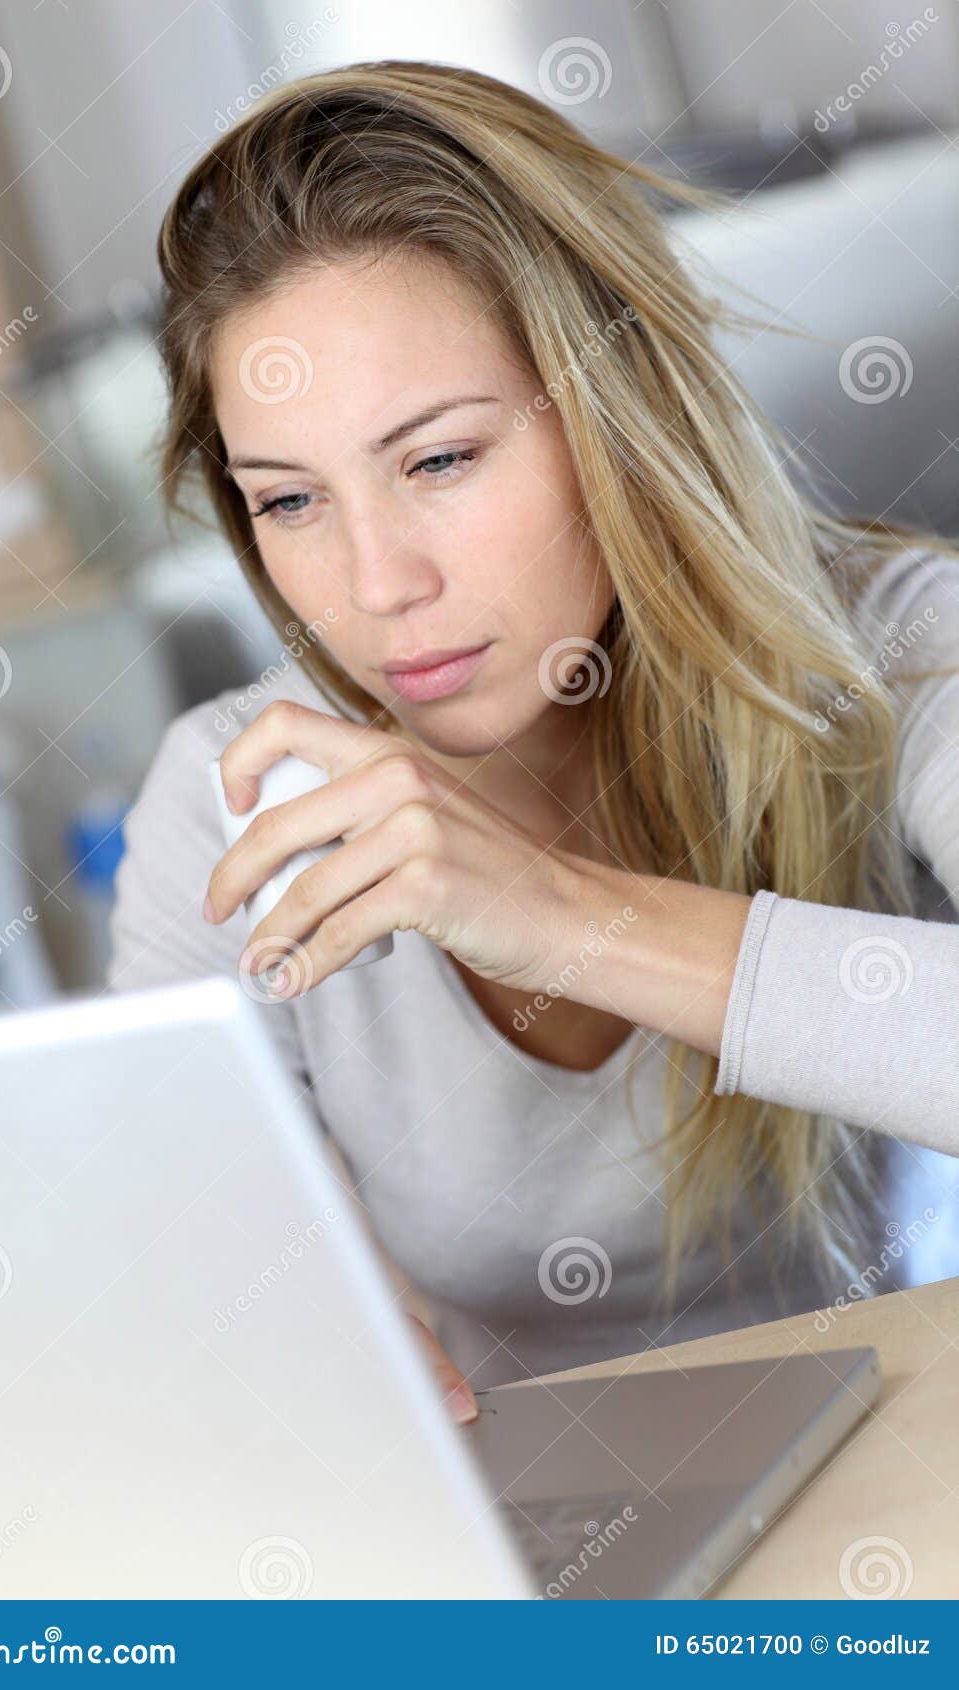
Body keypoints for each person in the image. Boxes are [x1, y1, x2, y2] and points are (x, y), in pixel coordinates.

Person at [108, 60, 959, 1425]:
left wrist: (560, 909)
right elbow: (150, 1250)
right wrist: (270, 1307)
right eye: (288, 499)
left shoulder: (904, 649)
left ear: (625, 411)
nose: (377, 583)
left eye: (439, 459)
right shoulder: (238, 802)